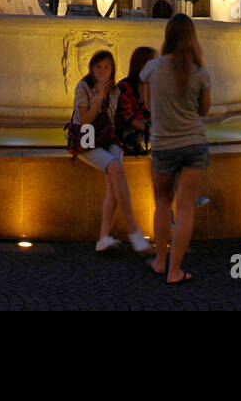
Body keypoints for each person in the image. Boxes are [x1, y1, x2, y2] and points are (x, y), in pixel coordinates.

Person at [141, 14, 212, 284]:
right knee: (185, 208)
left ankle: (160, 260)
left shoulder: (152, 69)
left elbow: (148, 105)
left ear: (167, 36)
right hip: (193, 143)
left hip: (163, 143)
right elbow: (203, 110)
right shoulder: (199, 72)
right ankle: (175, 271)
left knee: (162, 203)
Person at [68, 50, 151, 254]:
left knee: (113, 182)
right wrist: (98, 97)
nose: (102, 72)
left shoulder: (116, 92)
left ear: (112, 68)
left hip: (108, 138)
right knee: (115, 167)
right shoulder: (83, 87)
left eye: (106, 67)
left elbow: (113, 121)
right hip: (86, 140)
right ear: (92, 69)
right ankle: (133, 230)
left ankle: (103, 238)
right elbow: (85, 121)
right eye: (98, 67)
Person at [115, 46, 154, 156]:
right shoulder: (125, 87)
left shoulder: (151, 86)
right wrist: (150, 130)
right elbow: (127, 118)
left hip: (144, 128)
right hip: (126, 131)